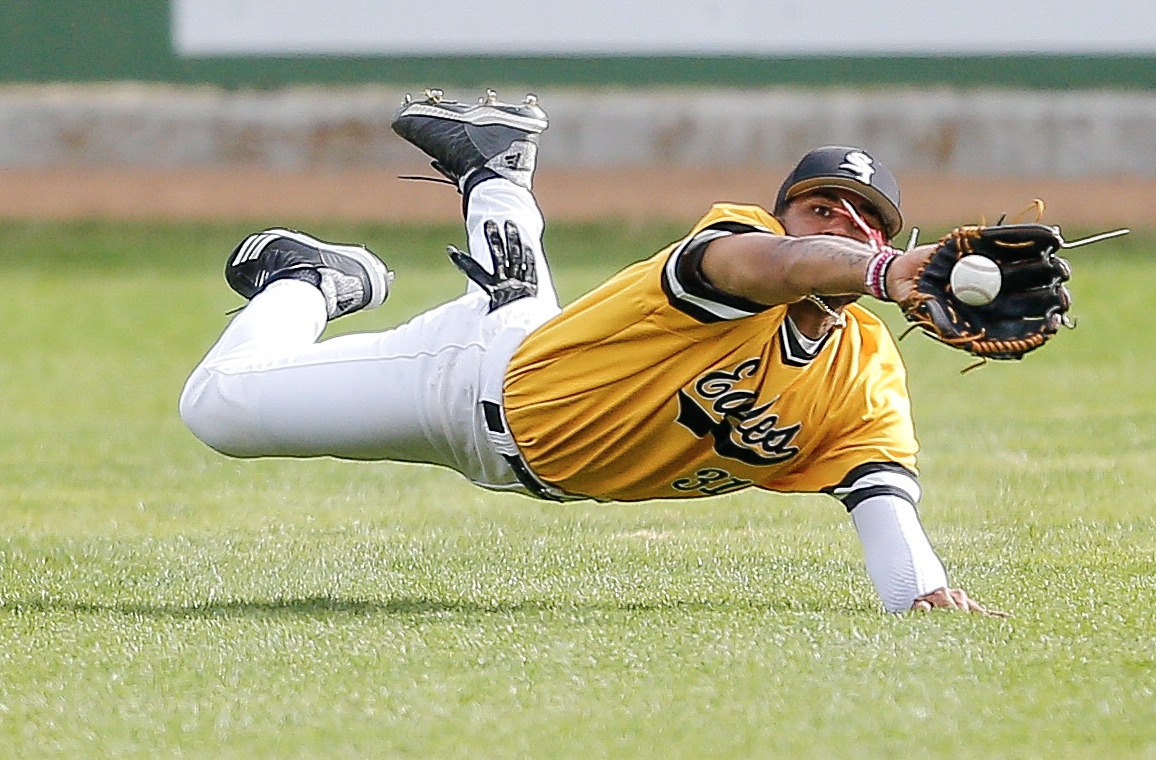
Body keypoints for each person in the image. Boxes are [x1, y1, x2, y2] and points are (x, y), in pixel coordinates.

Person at [180, 88, 1005, 616]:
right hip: (467, 387)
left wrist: (919, 596)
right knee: (216, 406)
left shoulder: (861, 369)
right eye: (822, 208)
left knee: (522, 308)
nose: (845, 225)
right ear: (782, 216)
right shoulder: (737, 248)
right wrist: (884, 267)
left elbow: (880, 494)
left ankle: (494, 169)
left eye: (867, 220)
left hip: (546, 365)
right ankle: (311, 281)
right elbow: (778, 268)